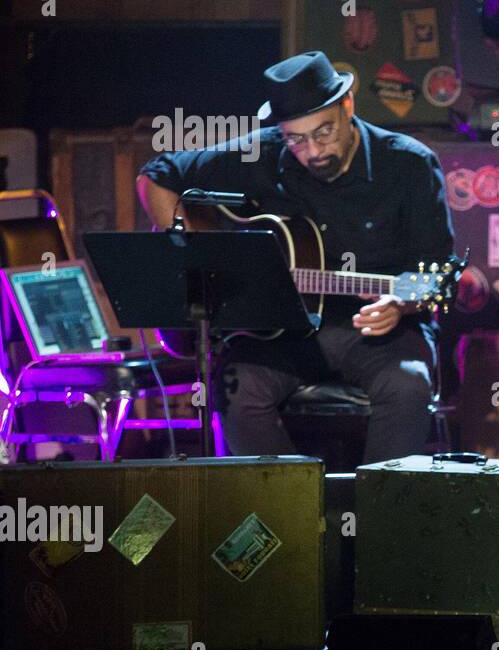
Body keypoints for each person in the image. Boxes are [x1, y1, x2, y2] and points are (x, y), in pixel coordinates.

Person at [137, 51, 455, 463]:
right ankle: (299, 512)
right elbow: (156, 176)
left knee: (408, 384)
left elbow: (439, 270)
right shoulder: (263, 153)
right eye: (296, 139)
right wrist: (195, 253)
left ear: (348, 107)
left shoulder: (409, 164)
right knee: (236, 387)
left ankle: (381, 516)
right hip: (285, 335)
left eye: (324, 132)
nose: (313, 150)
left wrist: (402, 302)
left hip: (382, 335)